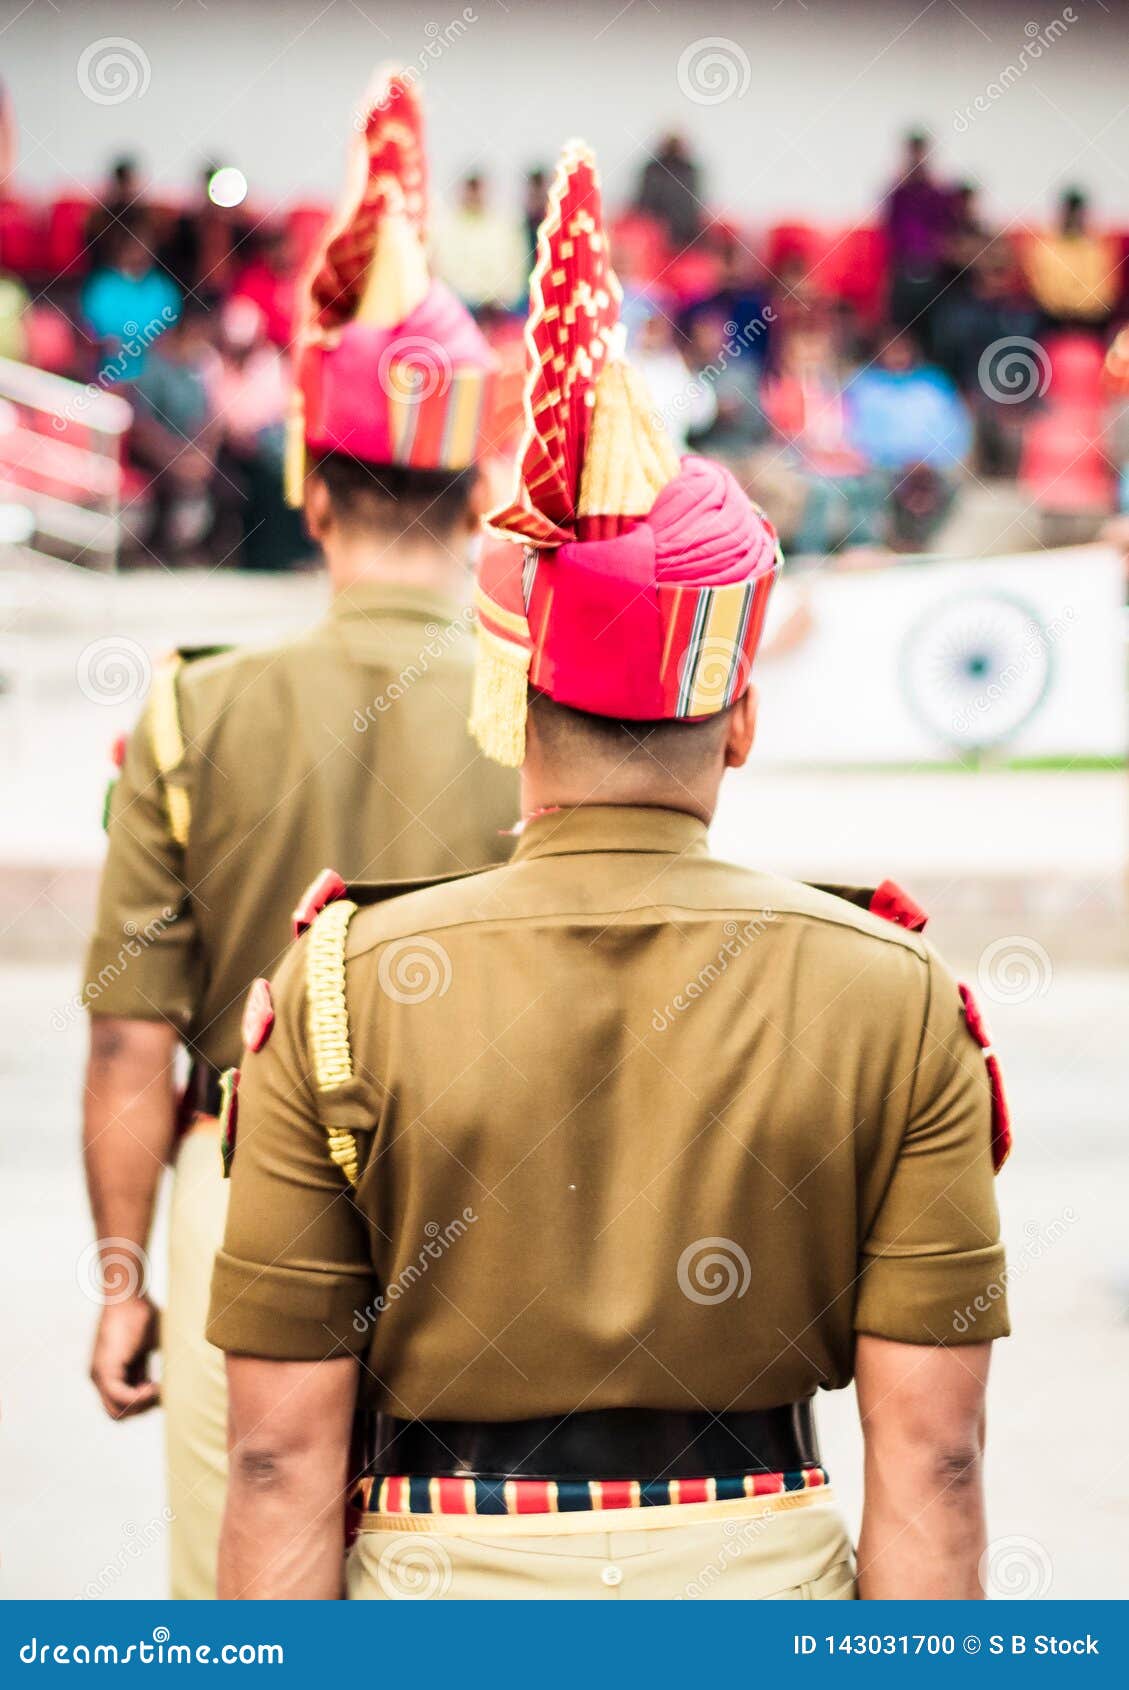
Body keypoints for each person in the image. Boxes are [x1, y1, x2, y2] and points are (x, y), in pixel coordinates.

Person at [208, 140, 1011, 1603]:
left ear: (504, 697)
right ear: (743, 715)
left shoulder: (333, 991)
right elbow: (935, 1460)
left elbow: (274, 1459)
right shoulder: (897, 993)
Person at [81, 69, 519, 1601]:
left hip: (238, 1193)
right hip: (484, 1206)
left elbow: (134, 1048)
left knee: (252, 1600)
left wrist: (128, 1279)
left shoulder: (197, 714)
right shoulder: (544, 716)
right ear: (476, 493)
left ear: (309, 489)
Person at [80, 217, 181, 382]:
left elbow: (170, 338)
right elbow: (91, 336)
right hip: (107, 378)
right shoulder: (101, 286)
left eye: (144, 245)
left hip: (152, 382)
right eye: (133, 244)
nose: (139, 251)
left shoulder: (163, 287)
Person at [882, 130, 951, 355]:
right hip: (902, 270)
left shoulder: (938, 194)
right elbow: (890, 232)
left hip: (932, 272)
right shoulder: (898, 193)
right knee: (899, 325)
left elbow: (946, 233)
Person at [1022, 187, 1119, 333]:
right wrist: (1067, 309)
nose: (1074, 216)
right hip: (1053, 320)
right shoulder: (1044, 247)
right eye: (1070, 210)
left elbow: (1104, 292)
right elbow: (1044, 292)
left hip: (1093, 321)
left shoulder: (1098, 248)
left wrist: (1082, 310)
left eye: (1077, 210)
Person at [434, 171, 526, 313]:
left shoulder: (503, 226)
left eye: (477, 188)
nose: (474, 194)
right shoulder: (447, 228)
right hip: (462, 306)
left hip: (499, 308)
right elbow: (443, 272)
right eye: (470, 188)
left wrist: (501, 298)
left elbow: (516, 270)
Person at [635, 130, 701, 250]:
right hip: (655, 230)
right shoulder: (653, 169)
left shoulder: (688, 171)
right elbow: (645, 202)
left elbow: (691, 205)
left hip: (683, 232)